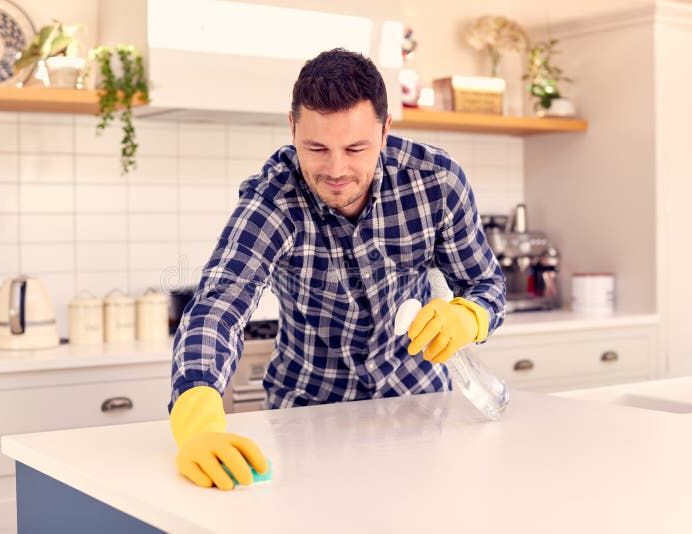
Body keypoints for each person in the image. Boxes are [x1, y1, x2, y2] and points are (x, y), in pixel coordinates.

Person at [168, 48, 506, 491]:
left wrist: (469, 315)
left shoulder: (436, 183)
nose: (335, 169)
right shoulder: (274, 201)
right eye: (316, 148)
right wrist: (198, 418)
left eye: (355, 148)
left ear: (385, 131)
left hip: (421, 407)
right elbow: (218, 307)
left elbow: (485, 284)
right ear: (292, 129)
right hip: (306, 416)